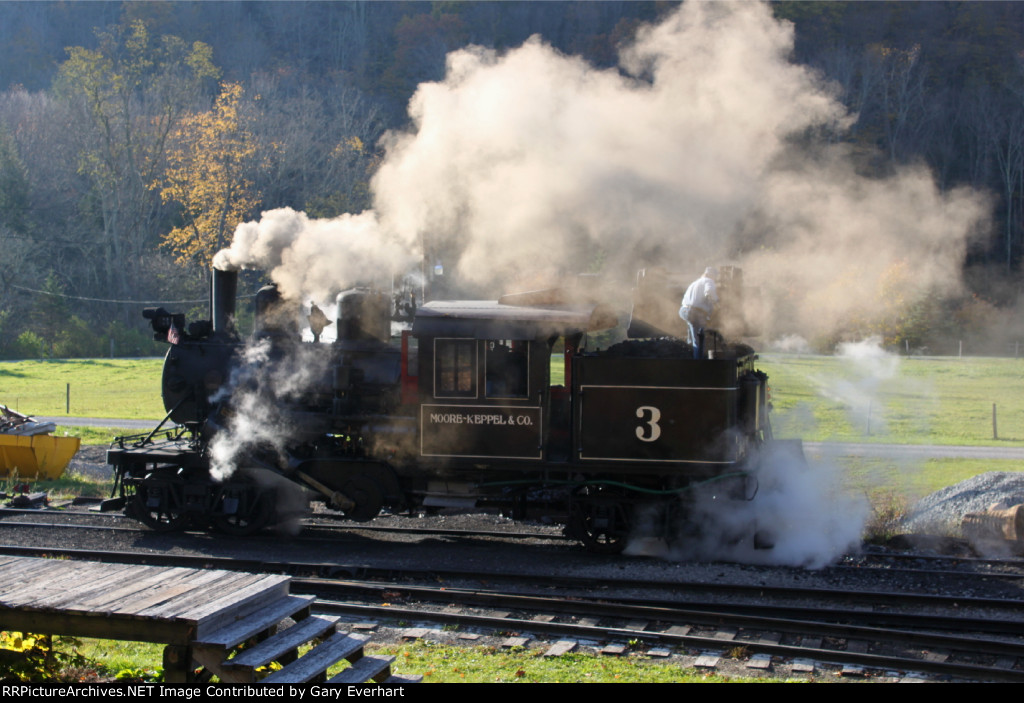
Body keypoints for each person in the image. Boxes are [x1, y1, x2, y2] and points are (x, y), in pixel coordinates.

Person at [679, 267, 718, 359]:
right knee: (699, 340)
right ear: (712, 275)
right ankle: (698, 361)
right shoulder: (709, 281)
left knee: (692, 335)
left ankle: (689, 354)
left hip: (684, 310)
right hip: (695, 312)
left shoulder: (695, 283)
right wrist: (717, 303)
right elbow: (709, 292)